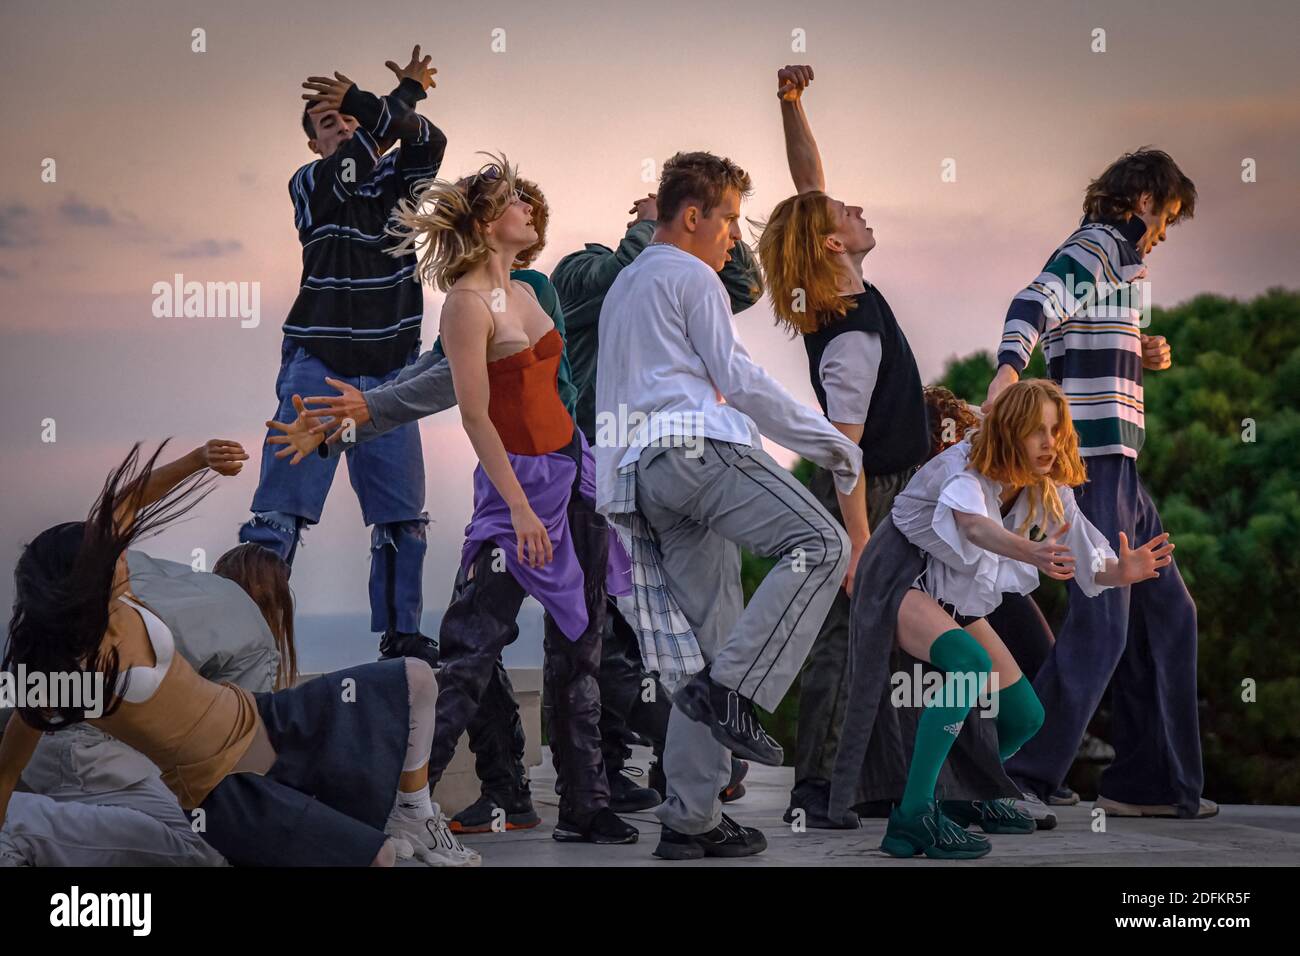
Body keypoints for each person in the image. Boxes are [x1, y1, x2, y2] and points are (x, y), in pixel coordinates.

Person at [0, 441, 478, 868]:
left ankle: (413, 812)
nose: (122, 556)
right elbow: (8, 768)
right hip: (218, 785)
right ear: (81, 583)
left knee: (415, 678)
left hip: (264, 717)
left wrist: (197, 460)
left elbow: (128, 500)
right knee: (373, 856)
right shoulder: (68, 675)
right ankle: (29, 826)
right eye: (108, 558)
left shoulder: (122, 600)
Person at [594, 150, 863, 860]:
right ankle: (737, 693)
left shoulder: (626, 286)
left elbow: (614, 397)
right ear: (693, 216)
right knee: (822, 544)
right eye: (730, 222)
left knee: (711, 649)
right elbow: (737, 380)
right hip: (694, 451)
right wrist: (831, 442)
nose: (734, 241)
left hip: (641, 479)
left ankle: (692, 822)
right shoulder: (690, 274)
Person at [383, 154, 638, 845]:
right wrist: (521, 510)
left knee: (580, 649)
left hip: (572, 478)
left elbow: (559, 394)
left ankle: (585, 805)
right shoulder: (465, 305)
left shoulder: (528, 293)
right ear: (489, 223)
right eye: (516, 200)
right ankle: (403, 806)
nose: (530, 207)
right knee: (468, 651)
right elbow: (475, 417)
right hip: (515, 495)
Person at [830, 380, 1174, 858]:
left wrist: (1123, 571)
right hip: (900, 582)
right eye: (1037, 431)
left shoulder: (1048, 488)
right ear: (1011, 431)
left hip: (955, 600)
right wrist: (1030, 550)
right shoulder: (964, 468)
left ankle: (966, 795)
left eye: (1057, 430)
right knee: (969, 668)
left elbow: (1089, 555)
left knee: (1025, 715)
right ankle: (911, 818)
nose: (1050, 442)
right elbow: (974, 526)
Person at [984, 149, 1215, 820]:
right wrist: (1006, 370)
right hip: (1091, 462)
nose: (1164, 232)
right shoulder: (1100, 245)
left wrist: (1142, 347)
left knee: (1169, 614)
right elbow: (1034, 302)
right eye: (1166, 216)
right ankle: (1021, 774)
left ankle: (1145, 782)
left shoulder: (1120, 268)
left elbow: (1072, 334)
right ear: (1143, 200)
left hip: (1123, 467)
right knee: (1103, 622)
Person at [756, 64, 932, 830]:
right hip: (870, 493)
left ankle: (863, 783)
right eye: (845, 213)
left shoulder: (845, 297)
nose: (858, 210)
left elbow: (809, 187)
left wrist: (792, 106)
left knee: (886, 641)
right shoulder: (850, 340)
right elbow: (844, 454)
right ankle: (820, 789)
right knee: (845, 637)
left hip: (889, 489)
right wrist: (861, 542)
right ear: (833, 242)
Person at [239, 47, 447, 667]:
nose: (346, 129)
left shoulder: (404, 190)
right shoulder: (311, 183)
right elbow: (359, 161)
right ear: (312, 145)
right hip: (318, 364)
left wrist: (380, 104)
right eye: (329, 123)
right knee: (280, 512)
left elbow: (430, 143)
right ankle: (245, 632)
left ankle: (400, 635)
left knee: (402, 518)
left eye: (349, 119)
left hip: (387, 376)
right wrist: (398, 94)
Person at [1, 518, 289, 867]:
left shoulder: (134, 565)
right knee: (204, 854)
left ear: (220, 568)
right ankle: (17, 825)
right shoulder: (257, 639)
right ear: (274, 605)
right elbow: (230, 755)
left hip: (47, 725)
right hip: (87, 748)